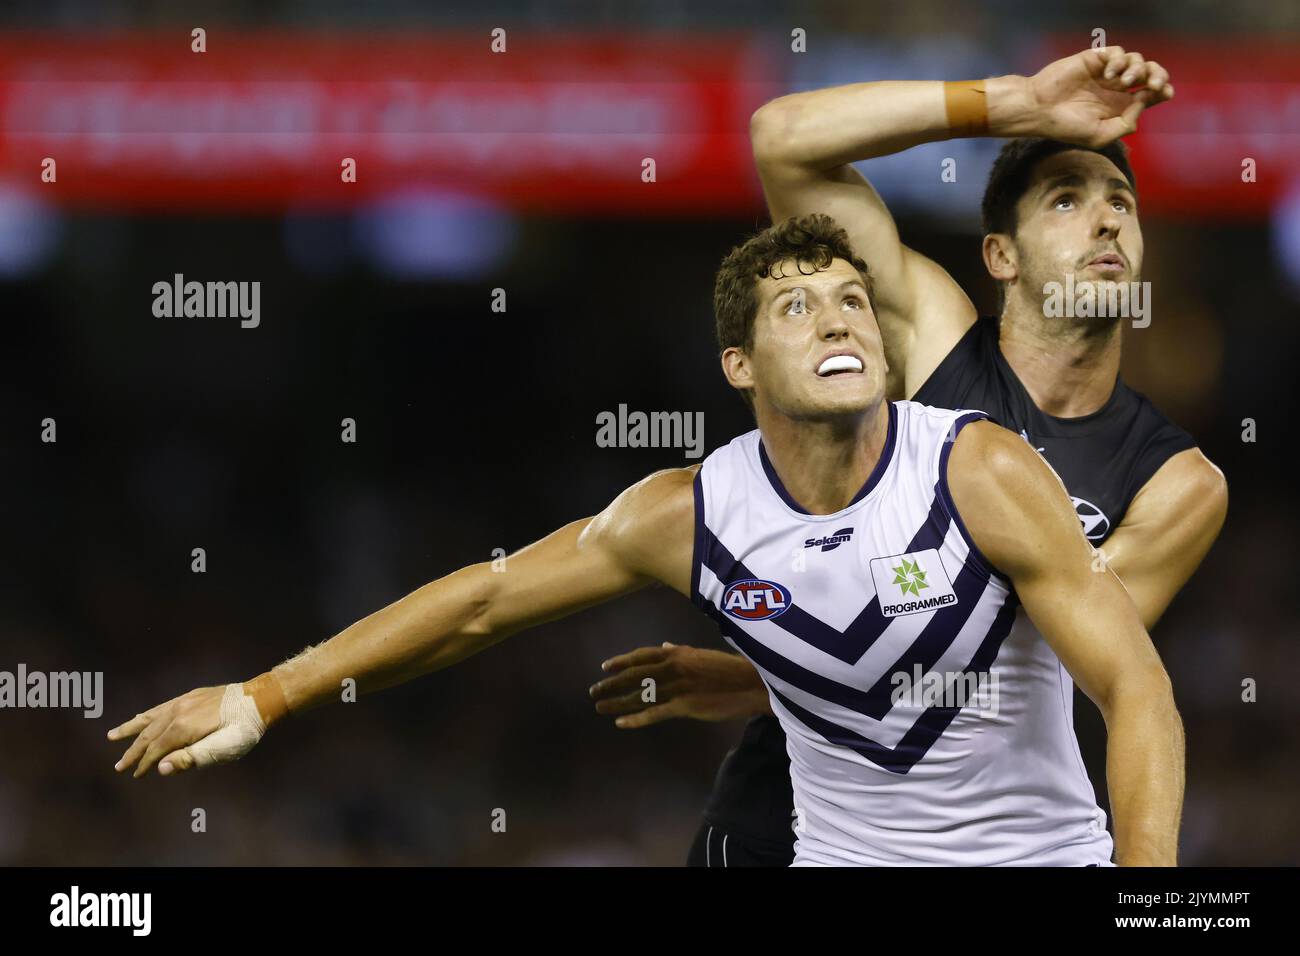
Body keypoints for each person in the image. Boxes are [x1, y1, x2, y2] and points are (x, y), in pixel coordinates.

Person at [108, 215, 1183, 866]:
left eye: (853, 300)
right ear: (737, 366)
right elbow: (482, 599)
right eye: (798, 308)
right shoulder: (694, 513)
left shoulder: (978, 470)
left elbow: (1134, 689)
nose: (840, 318)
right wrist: (265, 694)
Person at [590, 45, 1226, 867]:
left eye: (1122, 203)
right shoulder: (927, 341)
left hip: (959, 839)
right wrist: (1014, 103)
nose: (1107, 220)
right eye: (1067, 200)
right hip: (775, 821)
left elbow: (1037, 666)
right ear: (1000, 256)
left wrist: (764, 675)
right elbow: (785, 136)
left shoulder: (1177, 483)